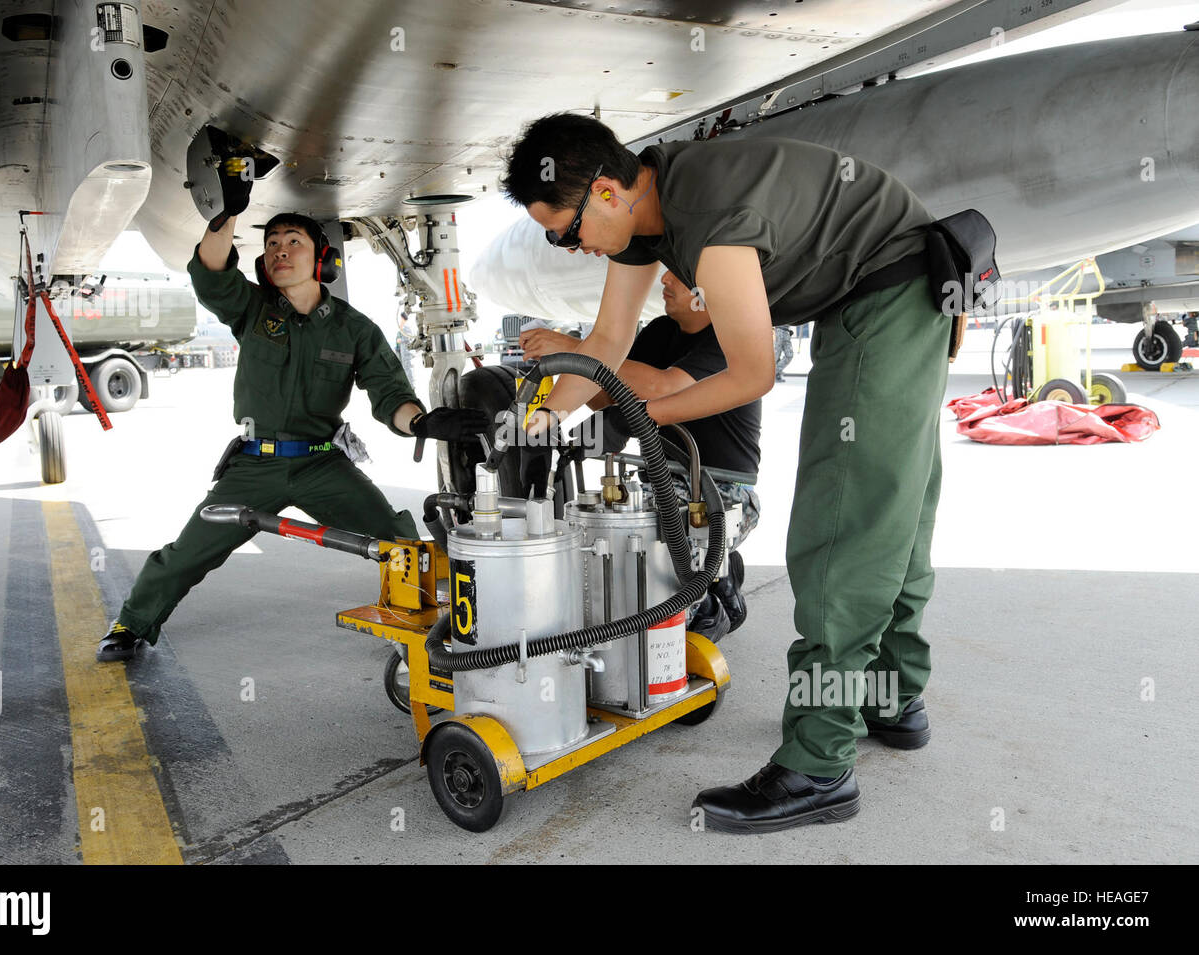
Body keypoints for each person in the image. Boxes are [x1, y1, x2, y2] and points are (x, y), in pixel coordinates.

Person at [501, 112, 949, 832]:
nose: (569, 246)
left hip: (886, 293)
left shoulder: (703, 213)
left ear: (608, 190)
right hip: (893, 284)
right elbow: (608, 343)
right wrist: (536, 423)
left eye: (566, 229)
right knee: (896, 508)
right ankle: (893, 696)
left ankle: (818, 762)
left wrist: (653, 418)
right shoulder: (650, 209)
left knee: (844, 528)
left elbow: (752, 371)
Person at [96, 171, 487, 663]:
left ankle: (449, 623)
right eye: (272, 243)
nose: (280, 250)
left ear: (320, 258)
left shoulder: (354, 330)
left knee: (402, 544)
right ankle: (132, 624)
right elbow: (212, 270)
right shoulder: (253, 310)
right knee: (187, 554)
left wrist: (425, 423)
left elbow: (389, 395)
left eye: (294, 241)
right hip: (254, 466)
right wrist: (228, 210)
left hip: (322, 465)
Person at [519, 269, 761, 639]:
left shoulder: (727, 338)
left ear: (707, 291)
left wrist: (572, 347)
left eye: (676, 276)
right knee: (600, 536)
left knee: (655, 579)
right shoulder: (661, 331)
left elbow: (664, 387)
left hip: (720, 491)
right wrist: (559, 394)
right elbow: (606, 392)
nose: (663, 281)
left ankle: (709, 604)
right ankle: (712, 573)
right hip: (658, 481)